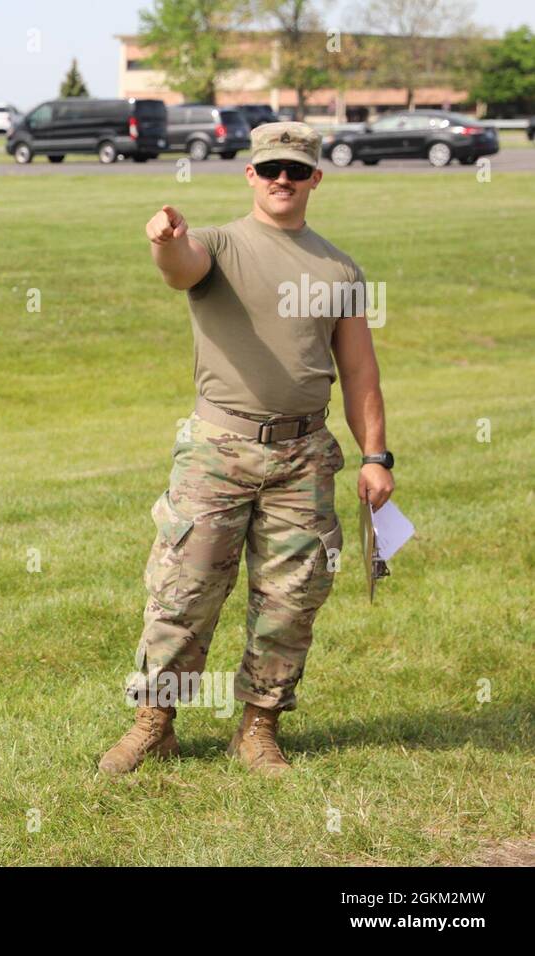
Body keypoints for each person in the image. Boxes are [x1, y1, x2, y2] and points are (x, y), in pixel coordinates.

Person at [99, 123, 395, 777]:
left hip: (305, 454)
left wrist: (376, 457)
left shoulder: (340, 268)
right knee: (184, 591)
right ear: (250, 176)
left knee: (292, 598)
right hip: (218, 450)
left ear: (316, 176)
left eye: (295, 169)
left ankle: (257, 729)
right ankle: (155, 724)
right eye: (269, 170)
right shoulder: (221, 246)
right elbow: (182, 269)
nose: (282, 180)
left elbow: (361, 374)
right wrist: (166, 243)